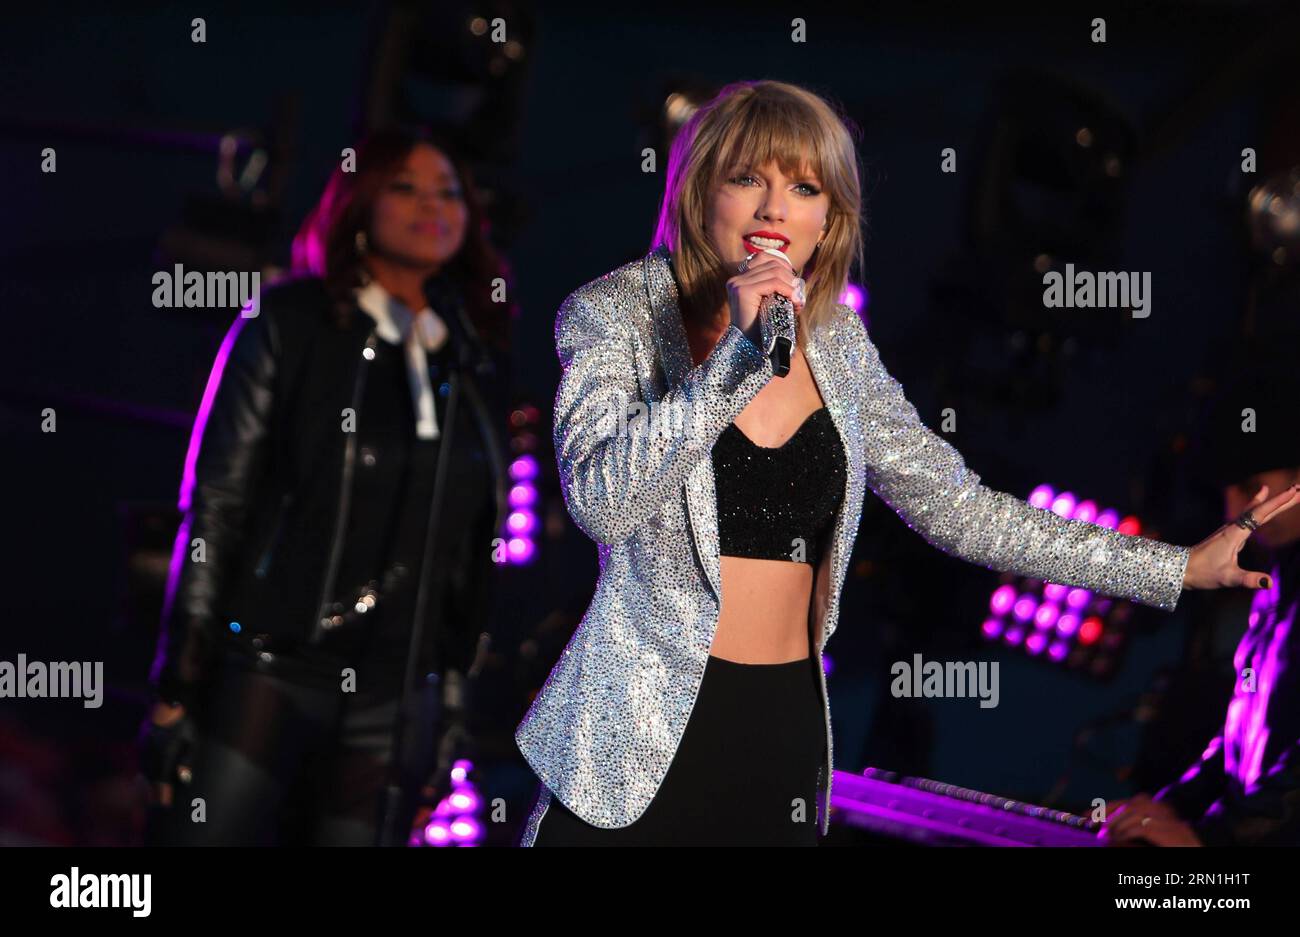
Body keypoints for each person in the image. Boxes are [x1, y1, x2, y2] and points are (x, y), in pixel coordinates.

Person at [513, 79, 1300, 847]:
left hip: (776, 736)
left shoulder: (837, 343)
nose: (773, 209)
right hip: (632, 743)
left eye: (805, 187)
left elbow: (959, 508)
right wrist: (738, 360)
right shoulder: (615, 311)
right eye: (747, 178)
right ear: (695, 193)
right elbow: (602, 501)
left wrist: (1176, 568)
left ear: (831, 219)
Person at [139, 126, 512, 846]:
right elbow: (216, 504)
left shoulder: (469, 353)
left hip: (392, 692)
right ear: (361, 200)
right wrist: (176, 683)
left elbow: (468, 551)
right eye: (405, 187)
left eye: (449, 192)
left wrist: (452, 706)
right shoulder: (291, 322)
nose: (431, 206)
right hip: (269, 664)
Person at [1103, 336, 1300, 847]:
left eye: (1253, 482)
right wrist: (1166, 807)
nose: (1237, 506)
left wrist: (1211, 844)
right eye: (1227, 490)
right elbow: (1242, 746)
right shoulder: (1275, 590)